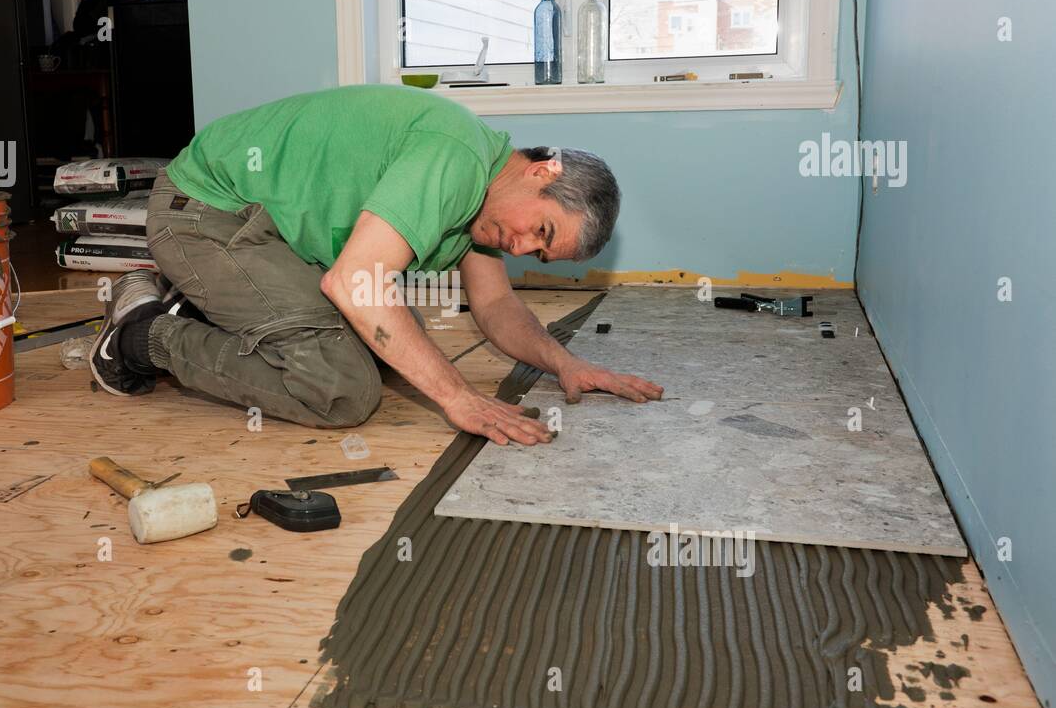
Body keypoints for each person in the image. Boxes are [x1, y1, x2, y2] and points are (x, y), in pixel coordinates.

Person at [89, 84, 663, 447]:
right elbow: (355, 282)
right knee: (340, 388)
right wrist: (458, 397)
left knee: (392, 351)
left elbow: (495, 307)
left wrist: (564, 363)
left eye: (538, 253)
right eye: (540, 231)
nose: (519, 249)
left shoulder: (485, 197)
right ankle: (142, 337)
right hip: (205, 214)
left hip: (270, 235)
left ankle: (204, 300)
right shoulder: (457, 158)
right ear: (544, 173)